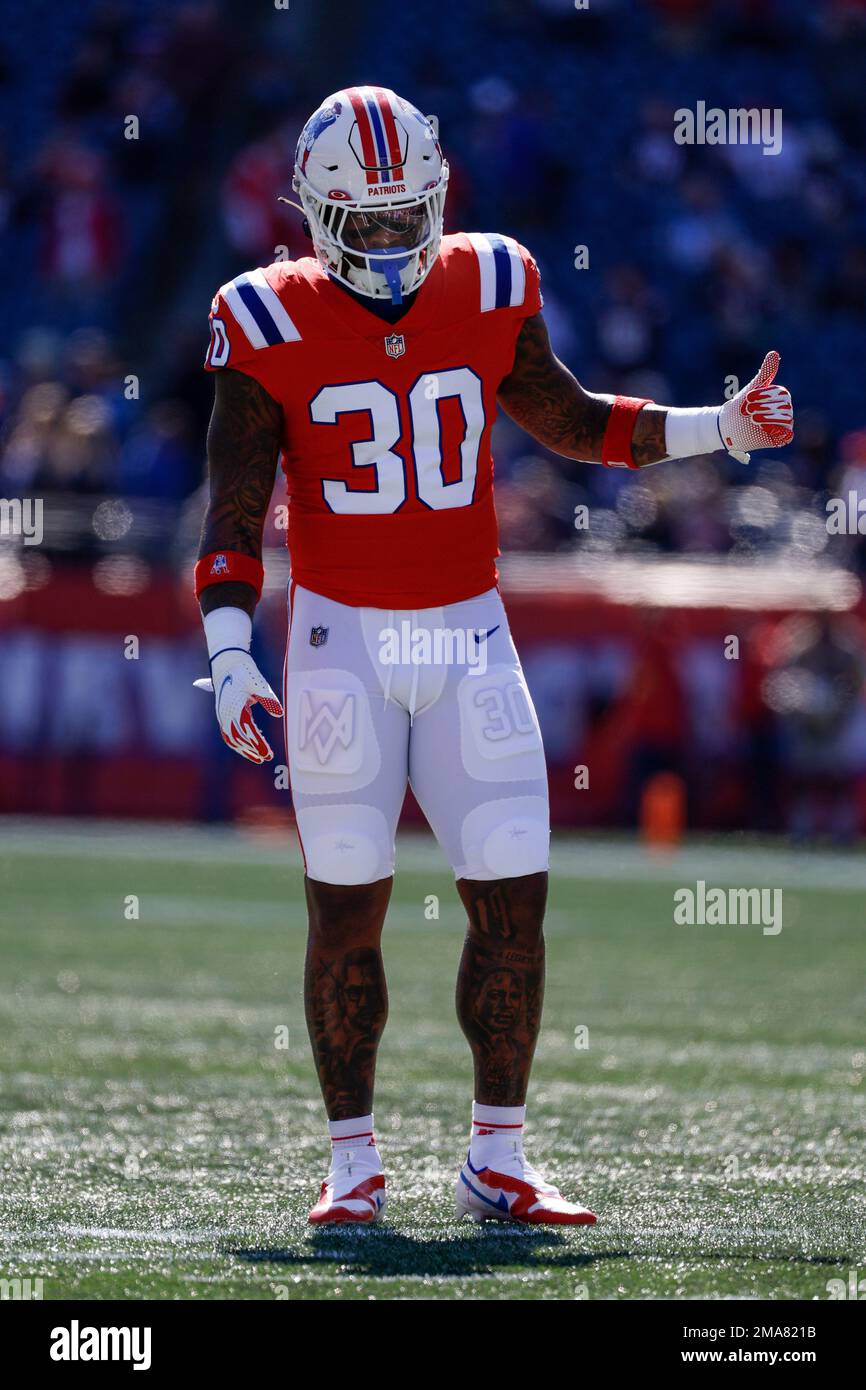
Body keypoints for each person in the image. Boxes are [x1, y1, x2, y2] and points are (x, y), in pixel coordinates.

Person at [194, 86, 794, 1225]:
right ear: (316, 217)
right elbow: (231, 513)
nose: (386, 241)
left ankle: (498, 1156)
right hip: (338, 644)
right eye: (361, 224)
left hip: (470, 633)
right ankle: (352, 1162)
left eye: (402, 215)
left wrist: (720, 425)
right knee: (344, 912)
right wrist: (231, 651)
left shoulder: (491, 278)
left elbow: (568, 420)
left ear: (437, 195)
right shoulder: (261, 318)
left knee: (513, 897)